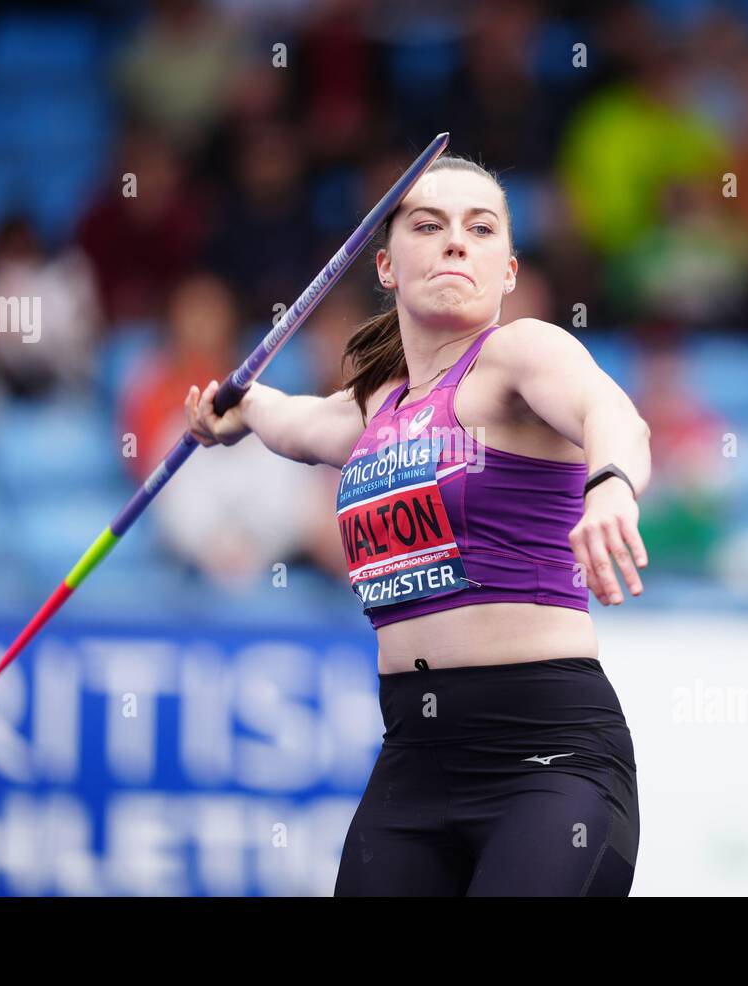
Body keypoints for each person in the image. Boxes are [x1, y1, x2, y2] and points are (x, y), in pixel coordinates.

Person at [184, 155, 651, 896]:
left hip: (548, 760)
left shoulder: (518, 357)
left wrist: (611, 490)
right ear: (386, 264)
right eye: (429, 226)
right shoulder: (375, 409)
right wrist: (237, 410)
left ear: (507, 269)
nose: (455, 242)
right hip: (414, 765)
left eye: (481, 227)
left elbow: (612, 414)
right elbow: (293, 421)